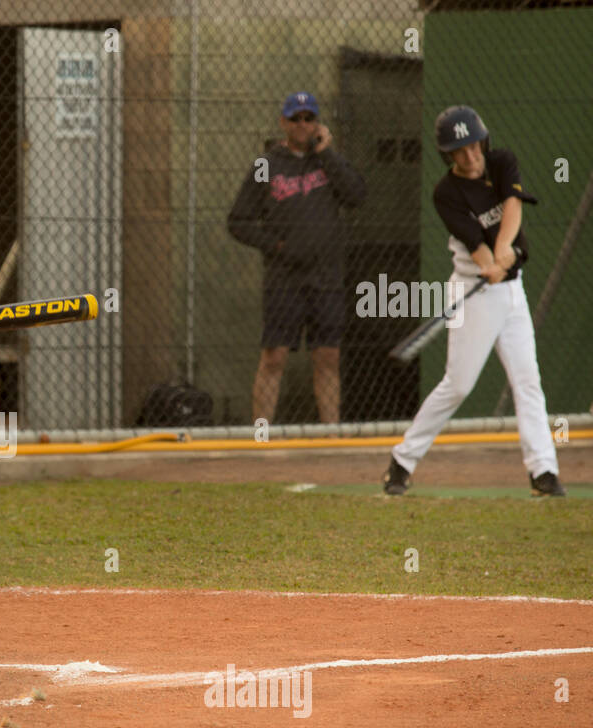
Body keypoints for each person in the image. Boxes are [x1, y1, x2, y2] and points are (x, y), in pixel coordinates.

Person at [383, 106, 563, 497]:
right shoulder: (445, 193)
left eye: (473, 145)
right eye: (459, 150)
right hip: (473, 291)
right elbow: (477, 250)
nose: (470, 155)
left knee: (527, 381)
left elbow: (513, 205)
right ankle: (402, 460)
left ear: (483, 140)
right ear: (448, 155)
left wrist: (505, 252)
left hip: (512, 292)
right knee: (459, 385)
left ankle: (544, 471)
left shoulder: (501, 161)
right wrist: (493, 262)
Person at [228, 91, 366, 425]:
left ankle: (331, 434)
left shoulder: (328, 161)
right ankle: (261, 434)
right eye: (296, 119)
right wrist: (275, 246)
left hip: (326, 275)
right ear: (283, 123)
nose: (303, 125)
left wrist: (326, 152)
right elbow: (239, 221)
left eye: (309, 118)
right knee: (274, 356)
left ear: (317, 123)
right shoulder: (267, 165)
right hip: (284, 277)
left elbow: (356, 195)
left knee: (327, 356)